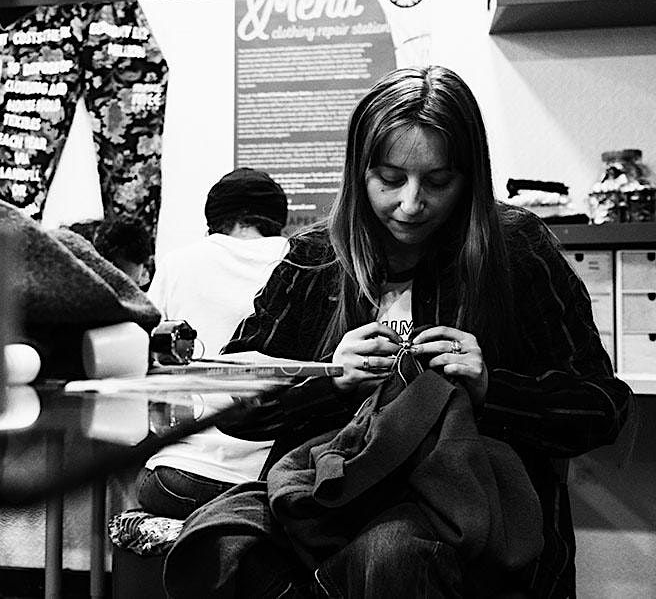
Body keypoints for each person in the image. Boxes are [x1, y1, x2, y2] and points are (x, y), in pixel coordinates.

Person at [208, 66, 632, 597]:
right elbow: (235, 400)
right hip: (325, 518)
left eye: (437, 181)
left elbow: (601, 408)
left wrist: (490, 391)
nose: (411, 204)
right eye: (389, 179)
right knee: (223, 545)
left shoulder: (516, 250)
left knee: (393, 556)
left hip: (477, 529)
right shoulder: (316, 259)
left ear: (470, 176)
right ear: (358, 172)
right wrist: (327, 381)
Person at [137, 168, 289, 519]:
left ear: (215, 219)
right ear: (277, 219)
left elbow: (150, 363)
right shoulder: (300, 260)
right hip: (271, 482)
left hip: (180, 477)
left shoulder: (179, 263)